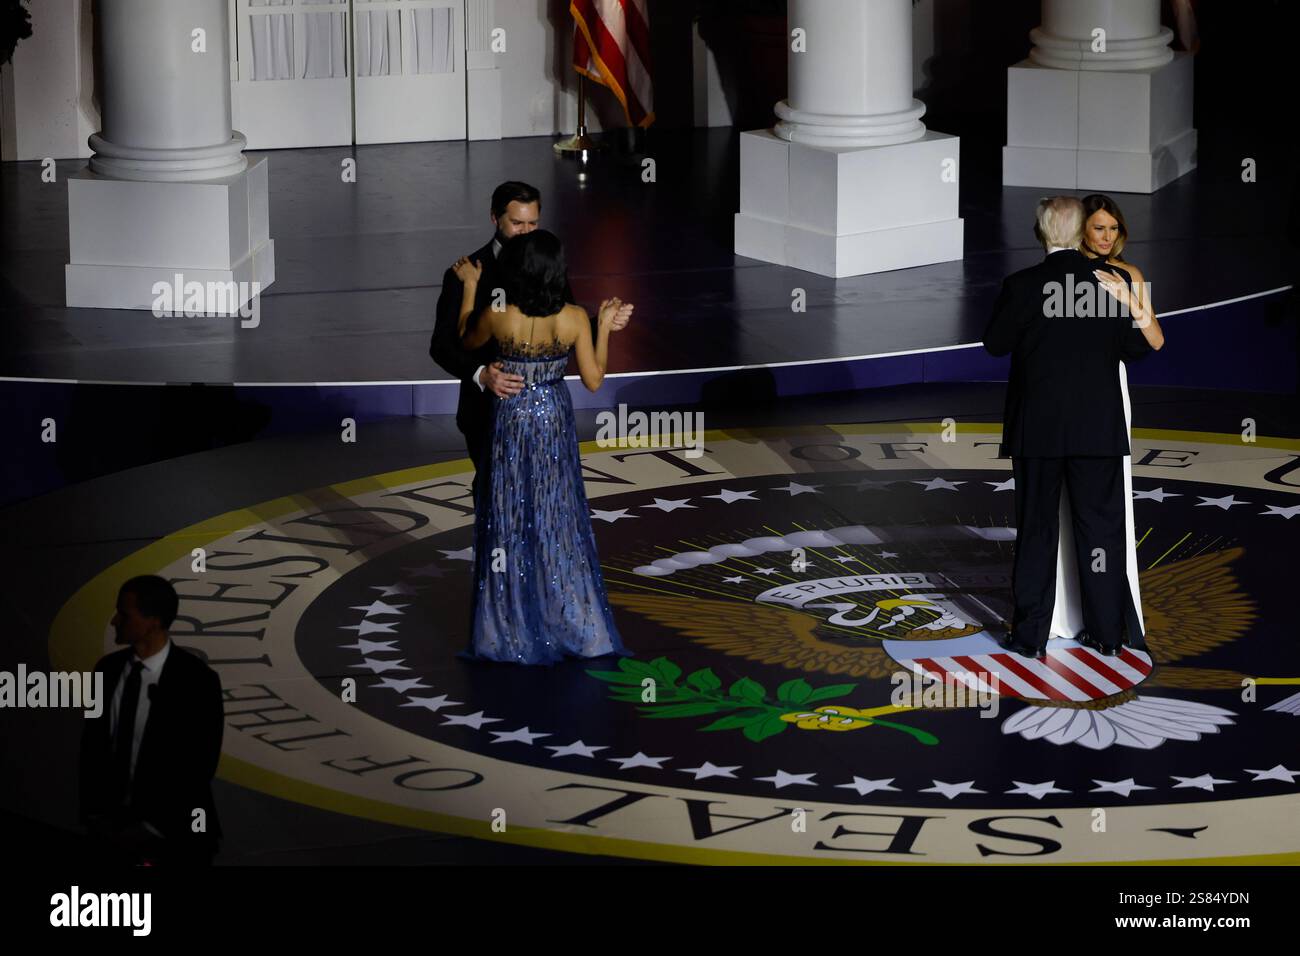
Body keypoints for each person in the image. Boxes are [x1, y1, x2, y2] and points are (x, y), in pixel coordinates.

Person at [982, 197, 1154, 659]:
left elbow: (994, 345)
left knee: (1036, 529)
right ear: (1081, 234)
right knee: (1100, 529)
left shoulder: (1021, 285)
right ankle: (1107, 634)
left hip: (1037, 431)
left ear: (1041, 234)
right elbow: (1137, 349)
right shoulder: (1110, 284)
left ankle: (1030, 636)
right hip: (1097, 430)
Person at [452, 230, 631, 663]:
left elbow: (464, 337)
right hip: (551, 416)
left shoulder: (499, 314)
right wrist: (603, 328)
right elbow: (593, 380)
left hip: (510, 416)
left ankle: (505, 632)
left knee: (509, 515)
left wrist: (471, 287)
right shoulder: (572, 317)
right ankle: (573, 623)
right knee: (557, 517)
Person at [430, 181, 629, 506]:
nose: (526, 232)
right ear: (495, 218)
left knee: (544, 499)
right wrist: (482, 374)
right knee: (496, 499)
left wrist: (602, 325)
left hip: (544, 417)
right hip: (484, 412)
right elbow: (442, 345)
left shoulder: (547, 269)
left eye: (532, 223)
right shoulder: (465, 273)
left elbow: (560, 324)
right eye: (517, 223)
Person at [79, 575, 224, 863]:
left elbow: (199, 765)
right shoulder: (106, 671)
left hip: (175, 841)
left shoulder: (197, 681)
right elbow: (92, 747)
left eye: (123, 613)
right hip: (109, 833)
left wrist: (152, 826)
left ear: (153, 621)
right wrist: (94, 815)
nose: (114, 621)